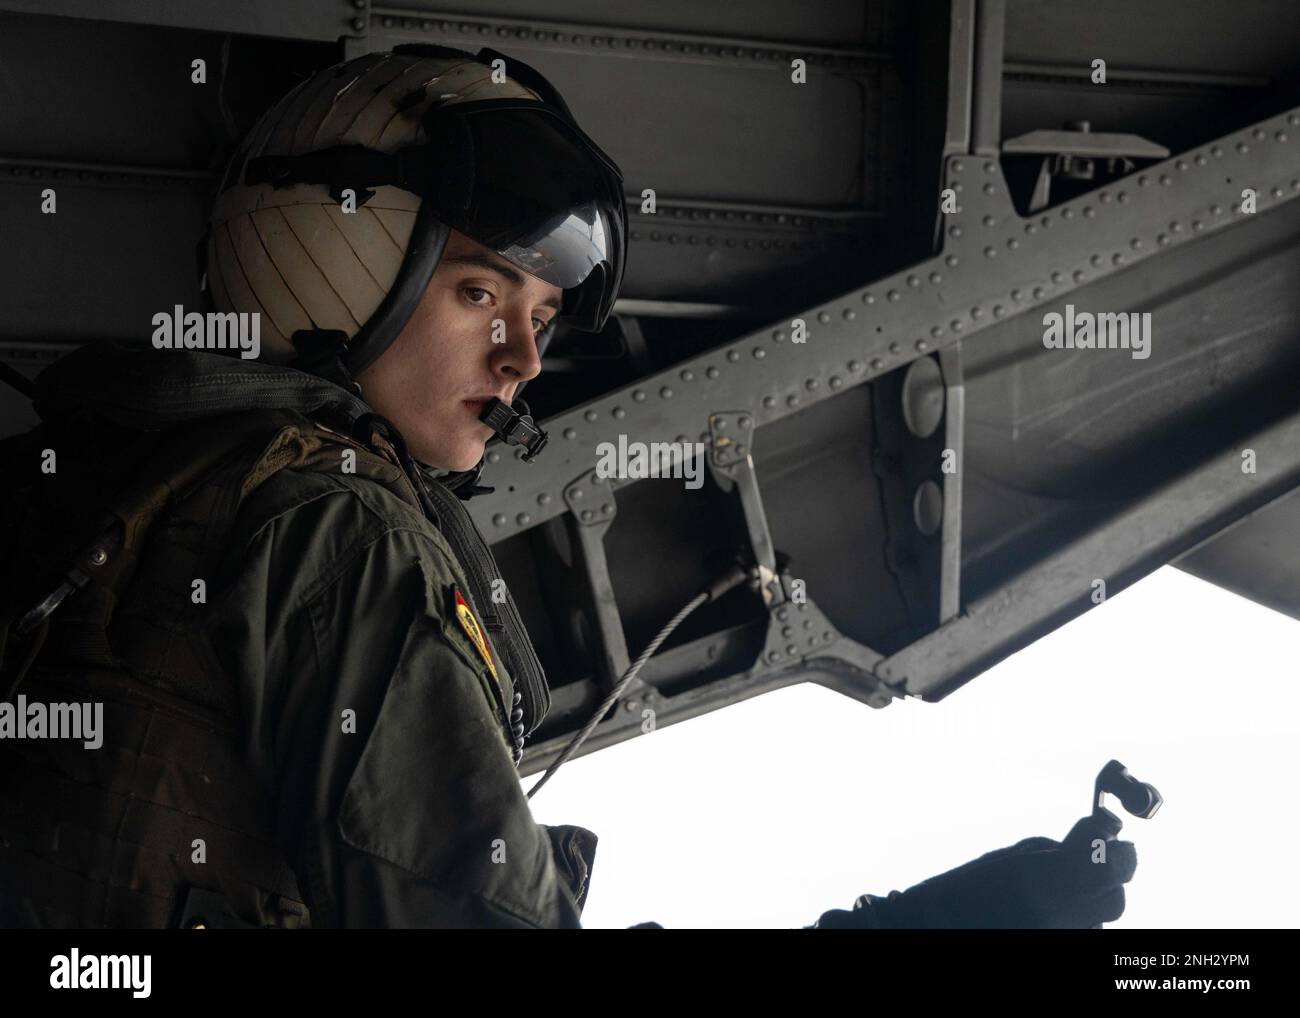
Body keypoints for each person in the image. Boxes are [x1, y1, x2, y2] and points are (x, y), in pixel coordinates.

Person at [0, 45, 1135, 929]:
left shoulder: (112, 486)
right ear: (334, 257)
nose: (522, 362)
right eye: (480, 296)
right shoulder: (331, 526)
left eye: (539, 321)